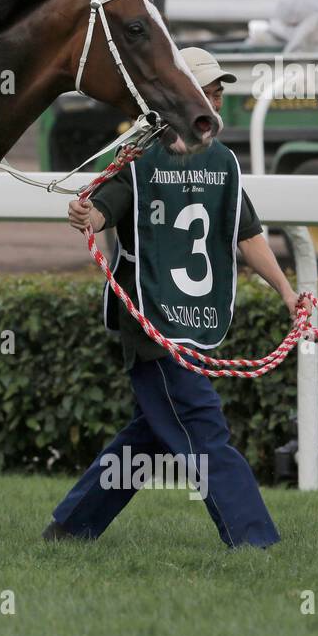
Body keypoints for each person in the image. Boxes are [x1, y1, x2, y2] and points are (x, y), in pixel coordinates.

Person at [43, 47, 300, 549]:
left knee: (154, 434)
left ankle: (71, 528)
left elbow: (245, 236)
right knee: (204, 428)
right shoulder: (138, 157)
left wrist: (290, 294)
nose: (216, 100)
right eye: (206, 91)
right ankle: (254, 541)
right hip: (152, 325)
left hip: (196, 322)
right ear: (175, 96)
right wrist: (88, 217)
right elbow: (104, 208)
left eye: (219, 91)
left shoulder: (224, 162)